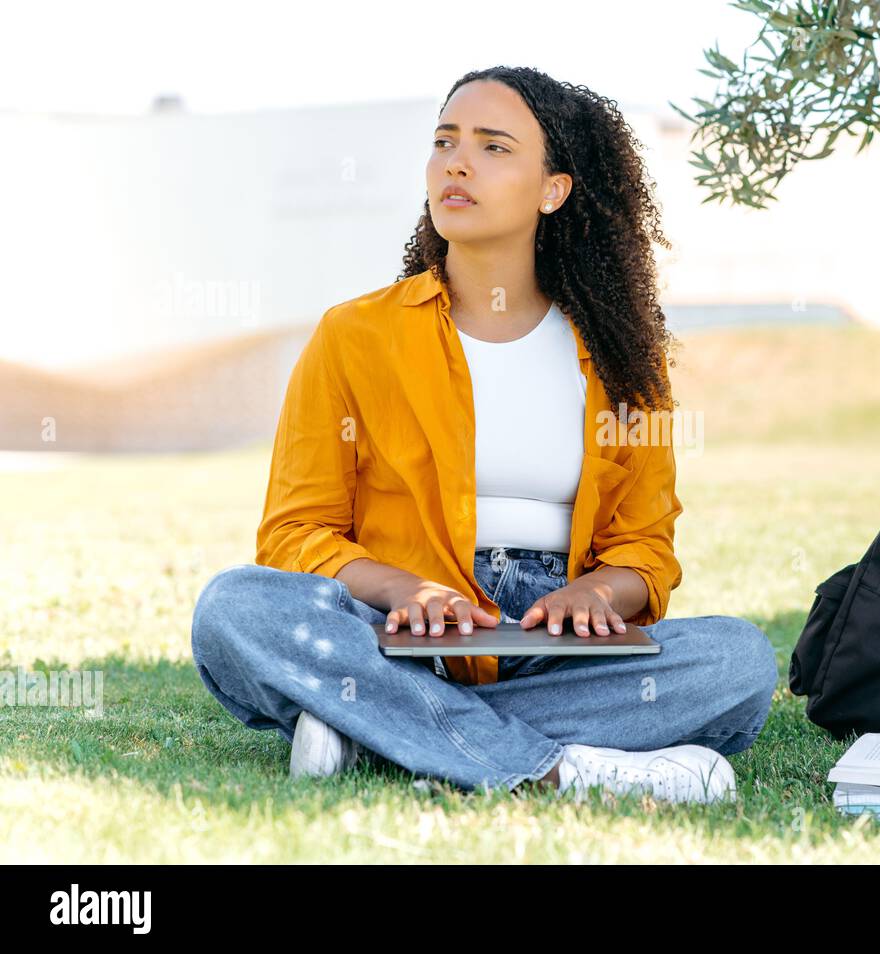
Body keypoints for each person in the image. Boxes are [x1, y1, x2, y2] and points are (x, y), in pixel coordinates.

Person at [190, 66, 777, 804]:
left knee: (738, 663)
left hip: (550, 642)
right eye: (444, 142)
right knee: (235, 608)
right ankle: (561, 769)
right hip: (395, 632)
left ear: (553, 190)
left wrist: (599, 592)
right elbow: (295, 533)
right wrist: (408, 588)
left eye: (494, 147)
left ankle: (372, 729)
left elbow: (646, 549)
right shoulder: (354, 334)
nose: (456, 164)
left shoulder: (624, 355)